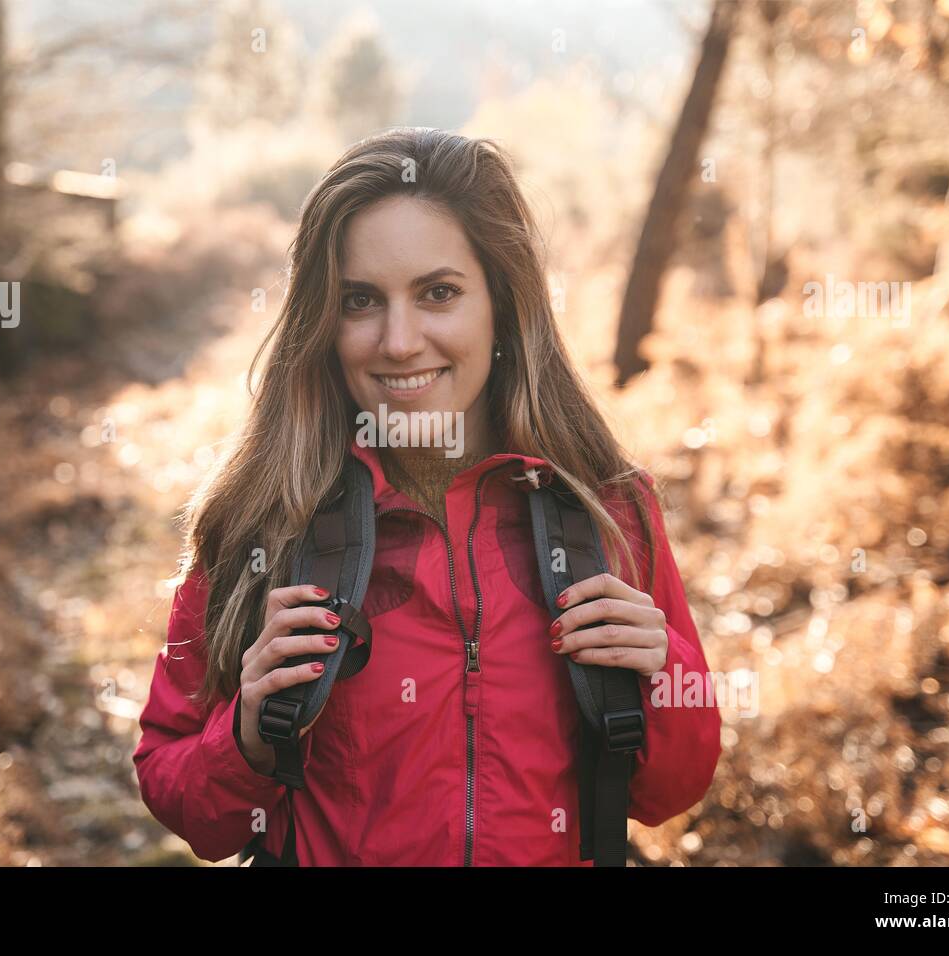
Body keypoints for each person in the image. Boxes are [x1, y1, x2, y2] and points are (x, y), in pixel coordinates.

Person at [132, 128, 721, 866]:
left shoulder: (609, 508)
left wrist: (663, 675)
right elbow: (179, 793)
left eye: (438, 293)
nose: (400, 340)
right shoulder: (263, 518)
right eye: (361, 301)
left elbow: (669, 794)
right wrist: (247, 737)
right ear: (323, 321)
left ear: (502, 306)